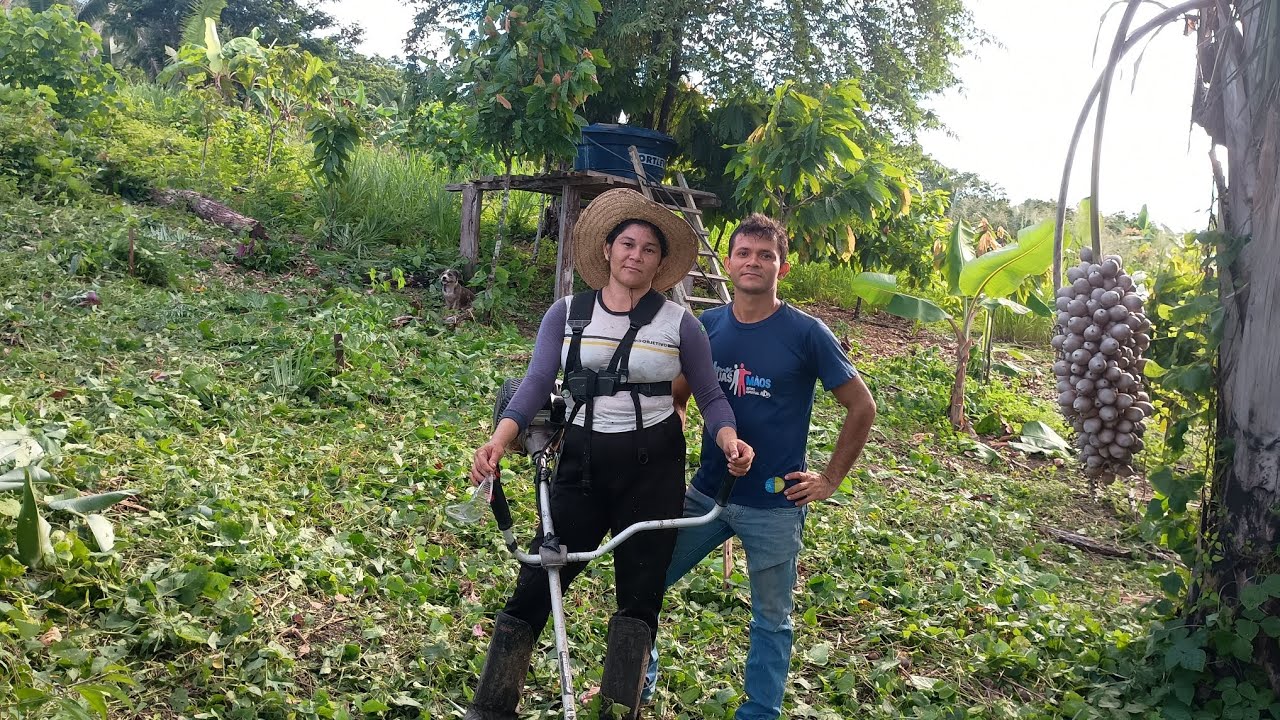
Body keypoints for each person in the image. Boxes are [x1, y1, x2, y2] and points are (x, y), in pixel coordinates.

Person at [466, 188, 754, 720]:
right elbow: (535, 383)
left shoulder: (680, 324)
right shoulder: (567, 313)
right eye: (627, 244)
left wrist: (728, 439)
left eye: (648, 249)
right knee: (537, 583)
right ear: (607, 249)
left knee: (640, 601)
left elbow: (712, 397)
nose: (635, 255)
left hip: (654, 470)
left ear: (660, 263)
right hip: (580, 464)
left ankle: (620, 711)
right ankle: (491, 707)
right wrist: (498, 441)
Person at [645, 213, 877, 719]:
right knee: (646, 584)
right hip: (706, 494)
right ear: (728, 263)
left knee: (772, 619)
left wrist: (830, 478)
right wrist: (671, 452)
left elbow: (862, 406)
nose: (753, 262)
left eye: (765, 255)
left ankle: (760, 712)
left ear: (782, 268)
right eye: (744, 253)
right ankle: (639, 683)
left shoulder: (807, 334)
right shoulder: (706, 328)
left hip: (775, 503)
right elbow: (678, 397)